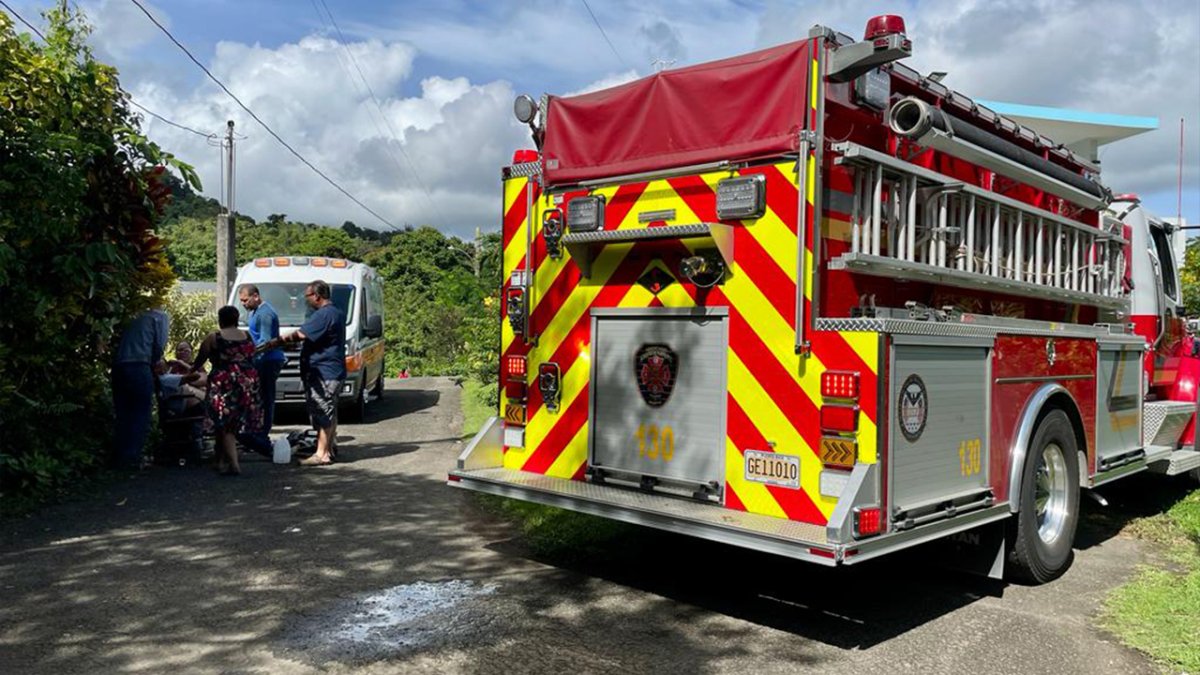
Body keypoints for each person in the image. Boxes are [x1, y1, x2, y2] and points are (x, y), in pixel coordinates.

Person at [262, 280, 345, 466]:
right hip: (331, 371)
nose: (305, 300)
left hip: (324, 373)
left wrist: (274, 342)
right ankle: (328, 450)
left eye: (307, 296)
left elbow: (300, 334)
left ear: (317, 295)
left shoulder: (323, 314)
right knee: (330, 411)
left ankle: (321, 454)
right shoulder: (336, 312)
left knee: (323, 410)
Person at [192, 306, 263, 476]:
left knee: (224, 422)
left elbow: (200, 359)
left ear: (220, 319)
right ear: (237, 318)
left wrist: (190, 371)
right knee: (230, 422)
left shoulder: (214, 337)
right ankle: (220, 460)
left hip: (223, 382)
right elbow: (252, 355)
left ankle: (234, 464)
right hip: (247, 381)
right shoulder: (246, 336)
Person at [111, 308, 169, 469]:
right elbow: (159, 345)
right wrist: (157, 362)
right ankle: (132, 458)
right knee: (140, 413)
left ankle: (119, 456)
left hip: (119, 365)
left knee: (122, 412)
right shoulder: (159, 316)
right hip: (140, 365)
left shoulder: (130, 312)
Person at [237, 284, 285, 455]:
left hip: (268, 360)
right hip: (262, 360)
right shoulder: (254, 312)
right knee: (259, 399)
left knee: (266, 398)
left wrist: (248, 356)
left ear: (256, 296)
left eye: (245, 300)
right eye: (241, 301)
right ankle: (256, 434)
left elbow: (265, 343)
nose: (243, 304)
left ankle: (262, 436)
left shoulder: (265, 314)